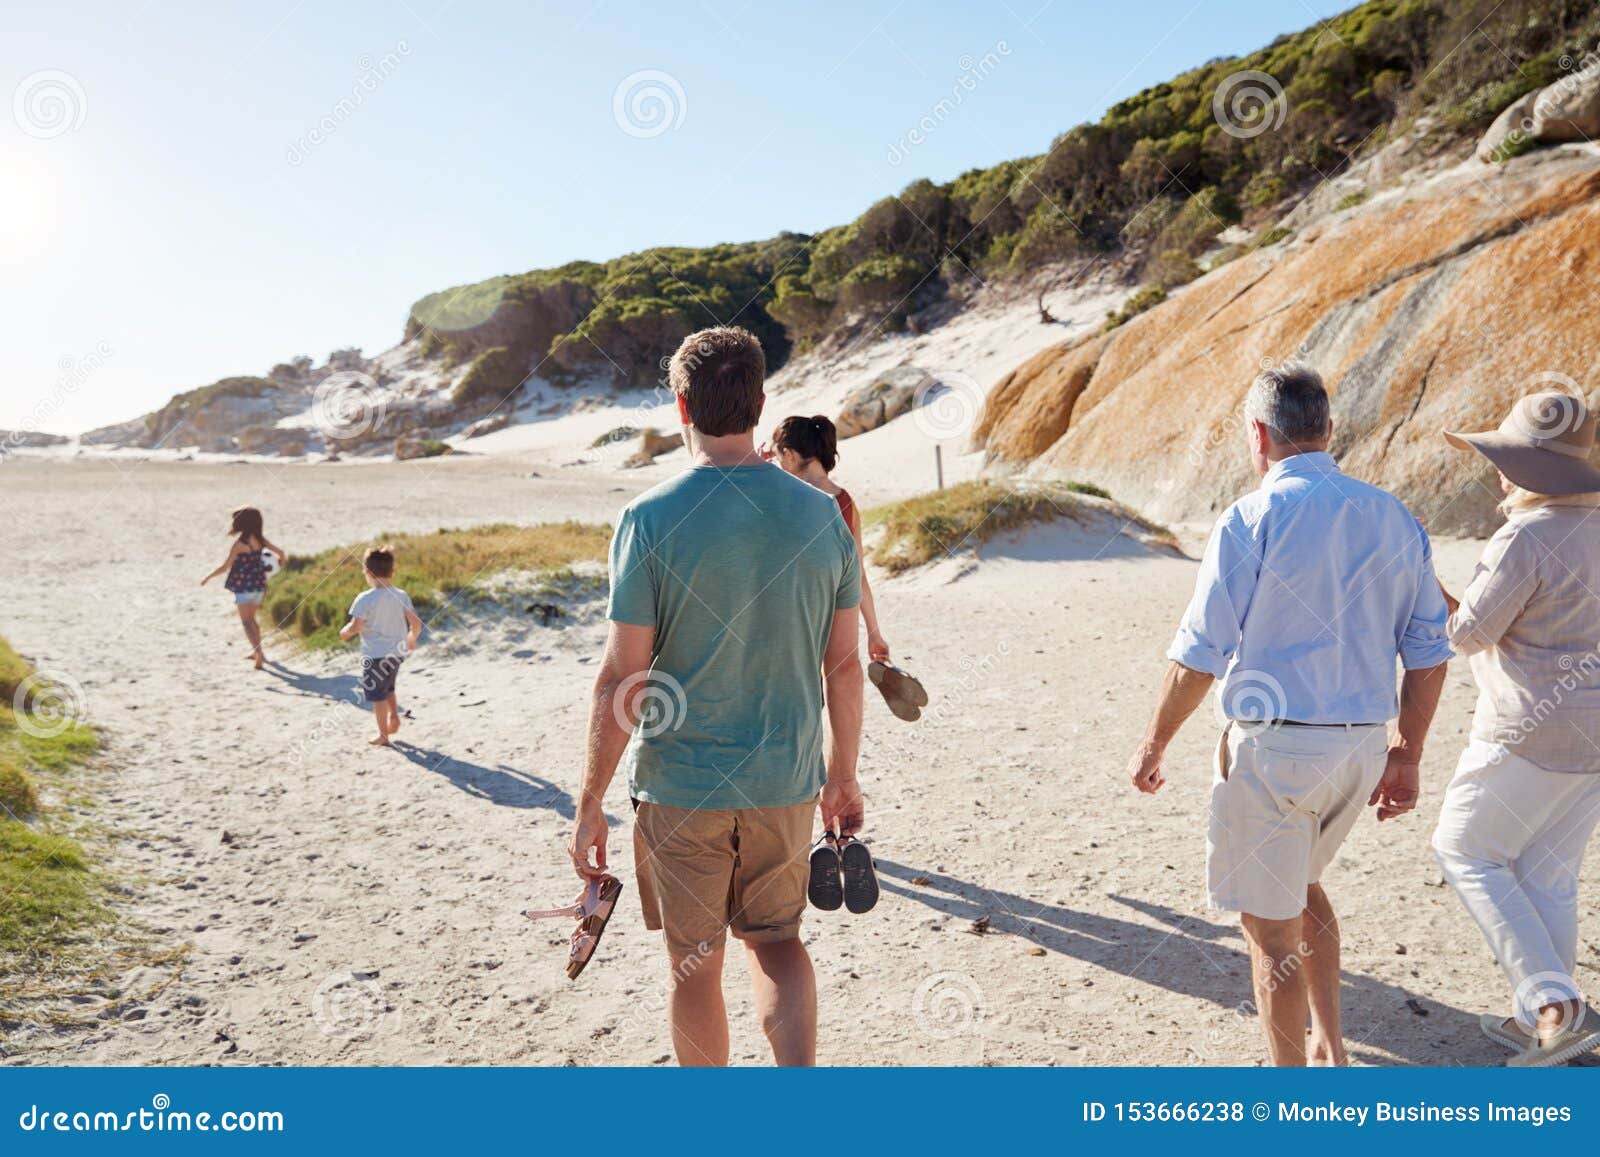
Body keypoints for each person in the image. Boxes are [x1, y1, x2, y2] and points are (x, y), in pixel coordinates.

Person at [1126, 363, 1452, 1066]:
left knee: (1268, 931)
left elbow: (1200, 654)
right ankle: (1332, 1046)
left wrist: (1153, 744)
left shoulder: (1249, 517)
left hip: (1276, 752)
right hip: (1361, 747)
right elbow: (1430, 650)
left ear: (1258, 434)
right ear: (1329, 430)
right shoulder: (1393, 514)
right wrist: (1408, 752)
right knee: (1303, 888)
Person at [568, 325, 865, 1067]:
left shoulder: (649, 518)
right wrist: (843, 775)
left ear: (681, 406)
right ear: (760, 404)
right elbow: (845, 667)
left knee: (694, 962)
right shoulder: (821, 516)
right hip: (784, 779)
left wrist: (589, 800)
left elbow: (622, 677)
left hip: (680, 786)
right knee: (778, 942)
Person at [1432, 391, 1600, 1067]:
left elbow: (1467, 634)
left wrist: (1424, 580)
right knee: (1548, 878)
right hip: (1593, 735)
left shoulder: (1524, 536)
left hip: (1526, 731)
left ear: (1529, 471)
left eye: (1508, 460)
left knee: (1464, 849)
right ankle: (1548, 1028)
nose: (1500, 472)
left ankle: (1559, 1012)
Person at [765, 414, 890, 663]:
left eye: (778, 458)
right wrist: (874, 633)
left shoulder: (783, 498)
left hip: (792, 623)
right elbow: (858, 574)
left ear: (789, 455)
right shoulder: (845, 502)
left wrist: (754, 465)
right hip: (838, 615)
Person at [338, 546, 421, 748]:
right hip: (397, 652)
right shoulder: (401, 595)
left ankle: (383, 735)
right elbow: (416, 622)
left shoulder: (365, 599)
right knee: (388, 686)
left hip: (375, 655)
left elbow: (356, 626)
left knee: (377, 696)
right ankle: (394, 717)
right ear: (392, 571)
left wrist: (345, 632)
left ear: (367, 572)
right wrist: (412, 638)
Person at [200, 506, 286, 671]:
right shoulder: (261, 541)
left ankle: (258, 652)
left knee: (246, 622)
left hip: (243, 587)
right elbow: (281, 554)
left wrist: (209, 577)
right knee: (252, 619)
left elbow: (226, 567)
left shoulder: (240, 544)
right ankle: (257, 651)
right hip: (259, 585)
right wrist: (278, 569)